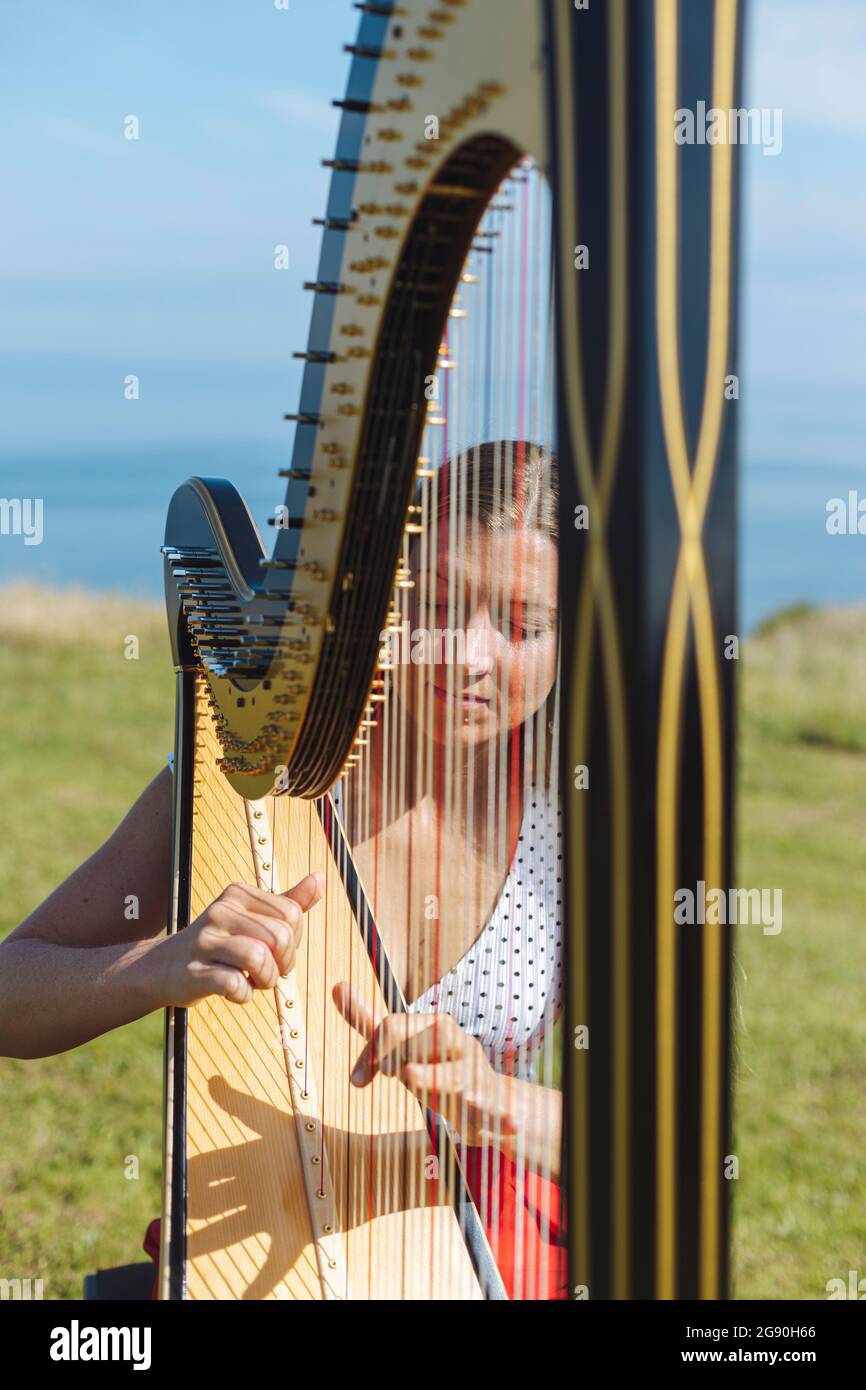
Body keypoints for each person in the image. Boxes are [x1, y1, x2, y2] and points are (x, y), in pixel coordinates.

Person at [0, 438, 565, 1299]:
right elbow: (10, 996)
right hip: (256, 1223)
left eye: (522, 625)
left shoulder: (589, 824)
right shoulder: (254, 771)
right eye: (441, 606)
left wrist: (504, 1107)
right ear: (392, 592)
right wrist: (155, 966)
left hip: (501, 1245)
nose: (470, 657)